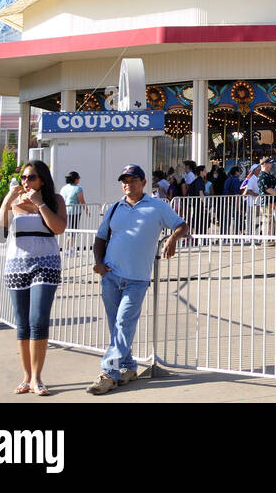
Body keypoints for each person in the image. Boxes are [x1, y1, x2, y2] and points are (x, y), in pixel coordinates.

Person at [88, 164, 190, 395]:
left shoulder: (157, 206)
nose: (128, 184)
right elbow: (100, 238)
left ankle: (109, 372)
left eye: (133, 180)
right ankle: (128, 366)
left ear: (144, 183)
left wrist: (172, 239)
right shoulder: (115, 208)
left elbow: (182, 225)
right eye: (124, 181)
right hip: (111, 275)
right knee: (116, 325)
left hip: (137, 278)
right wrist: (99, 263)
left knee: (123, 323)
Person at [0, 161, 68, 396]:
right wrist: (7, 202)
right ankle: (26, 377)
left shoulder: (55, 200)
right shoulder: (14, 201)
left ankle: (37, 378)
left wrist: (40, 204)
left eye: (31, 177)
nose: (26, 182)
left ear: (42, 180)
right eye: (24, 177)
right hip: (17, 266)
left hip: (46, 264)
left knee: (38, 319)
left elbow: (58, 228)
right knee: (22, 322)